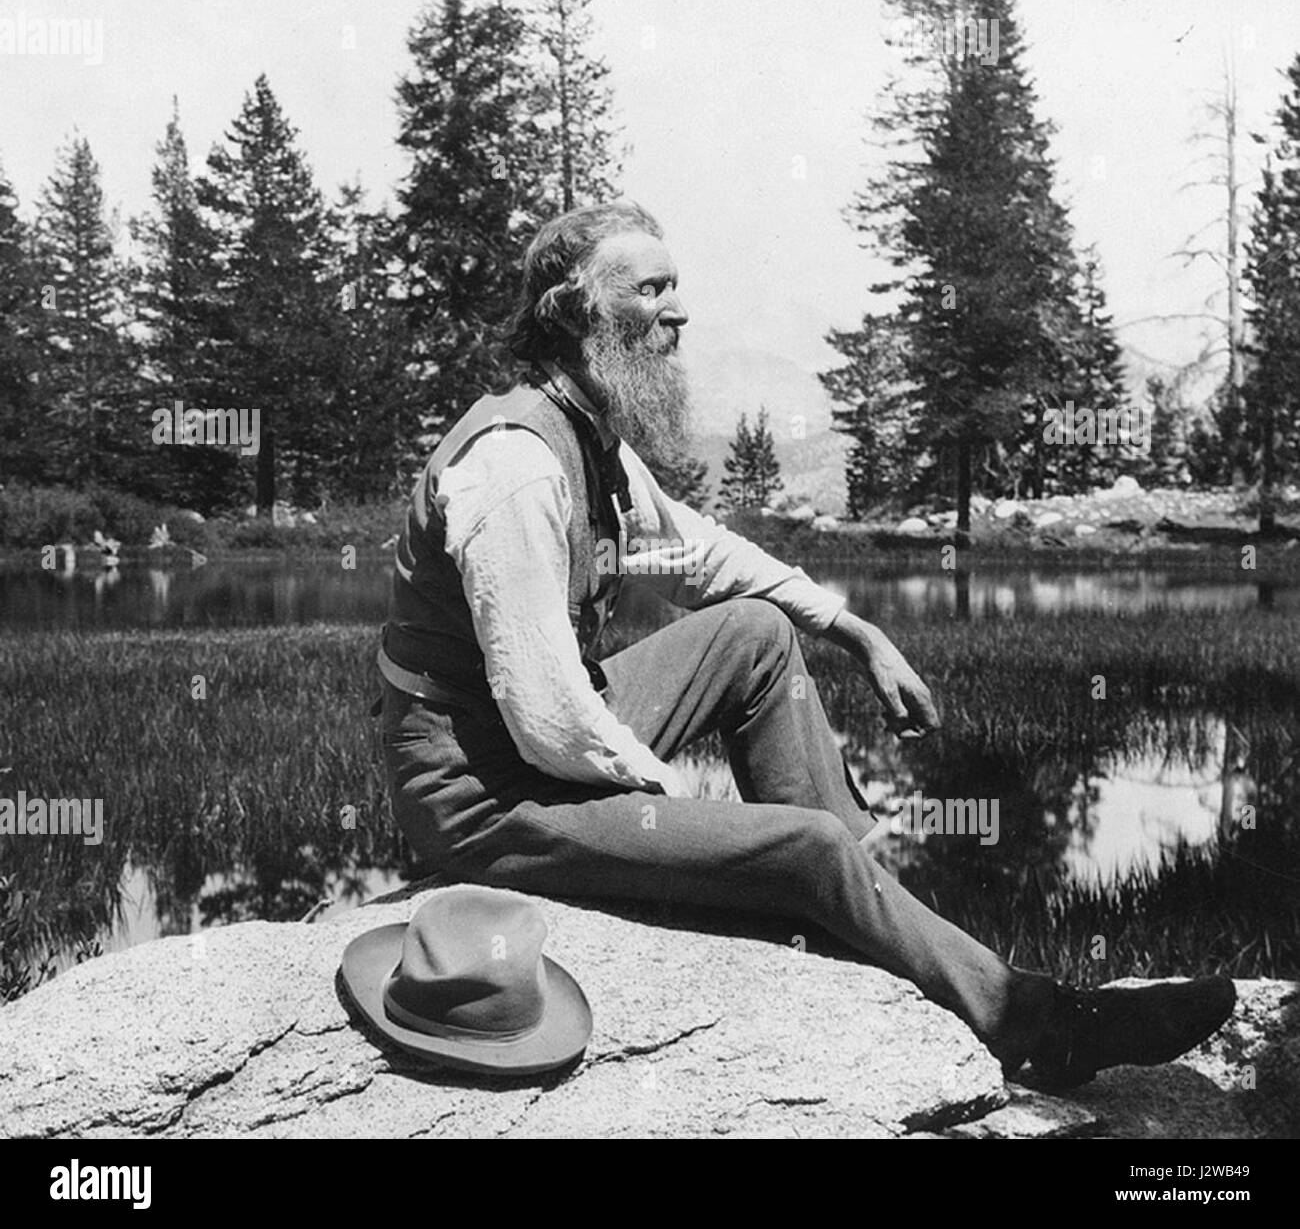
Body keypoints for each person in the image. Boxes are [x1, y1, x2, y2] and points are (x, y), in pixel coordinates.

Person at [377, 200, 1234, 1089]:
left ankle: (866, 907)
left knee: (756, 632)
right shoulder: (515, 462)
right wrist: (687, 814)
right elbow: (548, 716)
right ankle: (1039, 1024)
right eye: (652, 289)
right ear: (576, 311)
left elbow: (696, 556)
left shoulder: (590, 434)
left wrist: (852, 627)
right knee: (801, 847)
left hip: (535, 740)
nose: (679, 312)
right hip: (483, 793)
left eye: (679, 288)